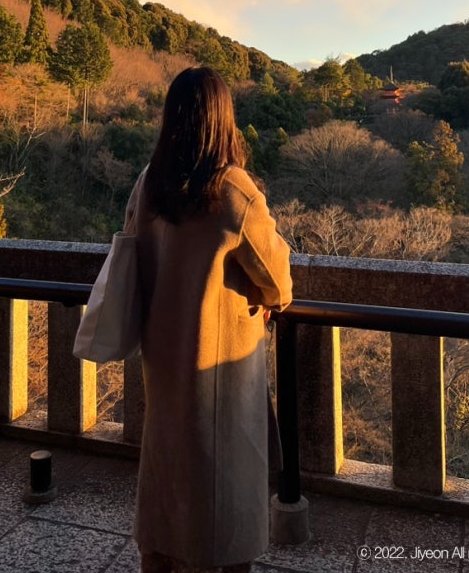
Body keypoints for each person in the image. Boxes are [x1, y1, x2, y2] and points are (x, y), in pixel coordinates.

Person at [123, 66, 293, 573]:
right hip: (219, 362)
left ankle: (160, 555)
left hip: (162, 354)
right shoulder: (232, 190)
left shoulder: (150, 183)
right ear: (223, 119)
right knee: (223, 474)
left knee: (167, 462)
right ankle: (218, 558)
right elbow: (277, 281)